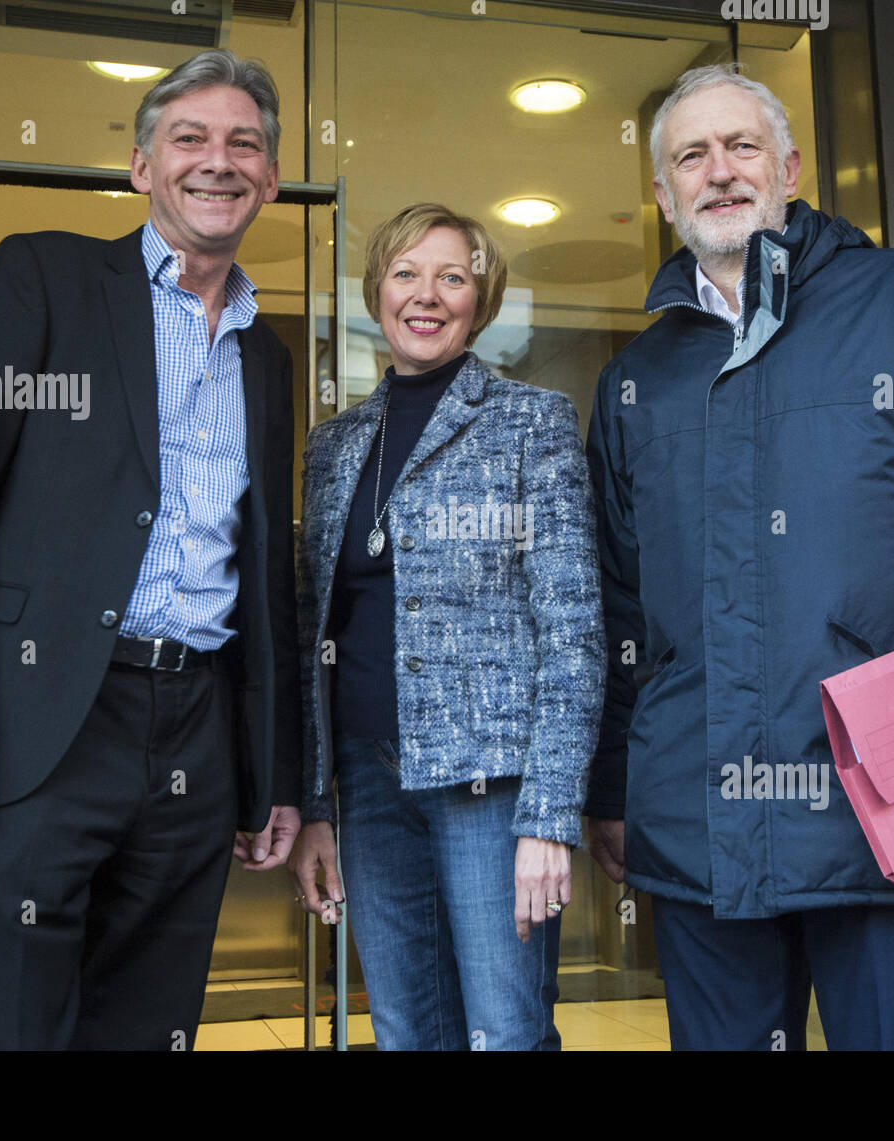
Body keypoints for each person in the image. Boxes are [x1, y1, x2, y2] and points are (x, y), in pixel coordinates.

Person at [584, 64, 894, 1051]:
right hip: (699, 824)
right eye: (690, 155)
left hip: (893, 813)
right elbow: (622, 607)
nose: (718, 172)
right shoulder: (635, 378)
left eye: (741, 147)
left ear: (789, 165)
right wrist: (612, 790)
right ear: (661, 193)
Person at [0, 49, 302, 1050]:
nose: (218, 161)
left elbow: (264, 580)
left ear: (271, 179)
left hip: (192, 734)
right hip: (40, 722)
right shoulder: (46, 275)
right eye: (190, 139)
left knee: (146, 1020)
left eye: (243, 143)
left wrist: (273, 773)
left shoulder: (266, 353)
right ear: (140, 167)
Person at [288, 203, 605, 1050]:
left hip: (490, 788)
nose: (426, 296)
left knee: (504, 1029)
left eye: (452, 277)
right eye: (406, 274)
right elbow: (307, 632)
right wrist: (315, 800)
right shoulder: (334, 444)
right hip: (367, 779)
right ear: (377, 292)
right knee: (404, 1030)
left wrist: (549, 814)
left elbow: (573, 629)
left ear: (481, 298)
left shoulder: (530, 420)